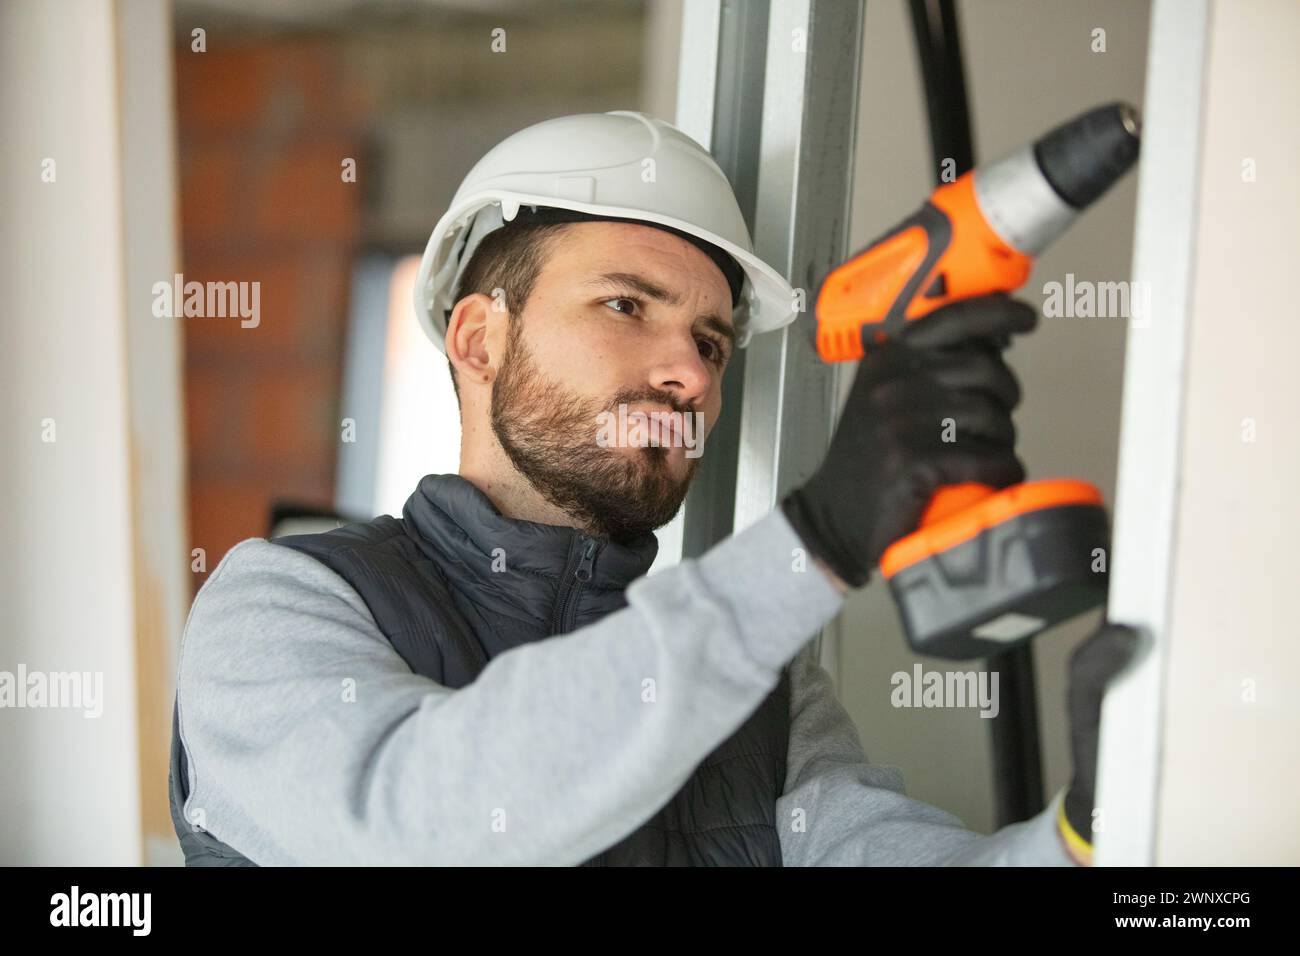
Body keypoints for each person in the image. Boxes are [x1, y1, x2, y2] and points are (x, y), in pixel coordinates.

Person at [167, 111, 1134, 866]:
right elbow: (415, 827)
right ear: (479, 340)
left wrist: (1094, 831)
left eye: (712, 342)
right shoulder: (284, 600)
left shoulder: (765, 687)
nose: (692, 373)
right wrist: (820, 537)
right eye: (626, 304)